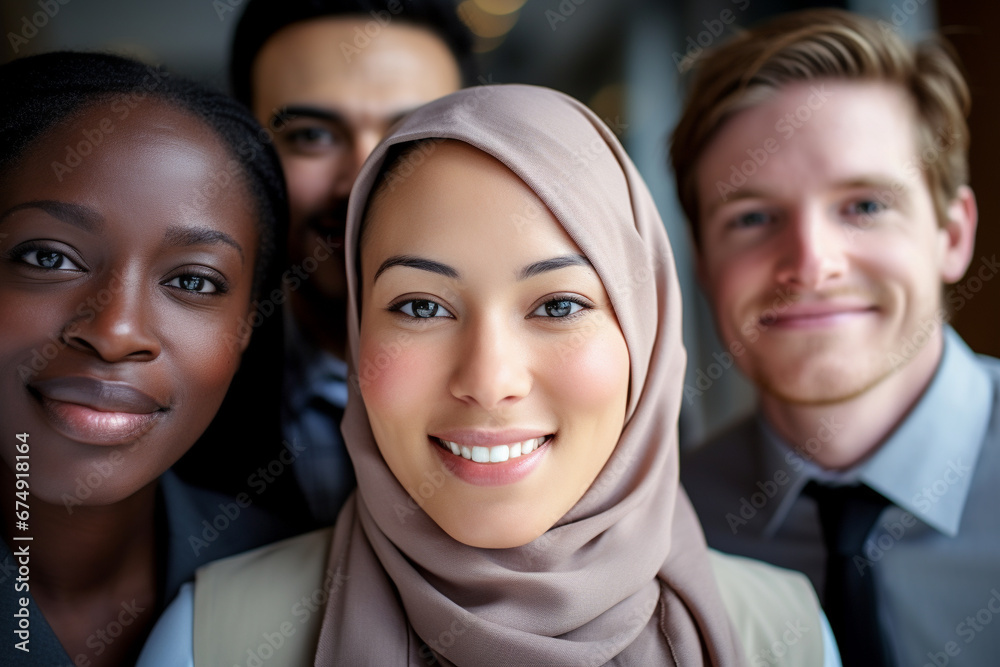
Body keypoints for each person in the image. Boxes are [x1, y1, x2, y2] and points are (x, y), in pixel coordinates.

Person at [170, 84, 839, 665]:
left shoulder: (786, 634)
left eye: (558, 305)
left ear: (648, 333)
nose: (489, 380)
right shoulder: (213, 634)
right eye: (422, 306)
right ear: (357, 333)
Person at [673, 9, 998, 666]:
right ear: (703, 263)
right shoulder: (669, 529)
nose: (812, 261)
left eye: (865, 206)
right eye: (754, 216)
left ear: (953, 235)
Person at [0, 50, 297, 666]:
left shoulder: (307, 588)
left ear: (245, 328)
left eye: (193, 282)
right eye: (49, 257)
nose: (116, 332)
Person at [180, 0, 475, 525]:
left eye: (412, 134)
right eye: (312, 136)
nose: (361, 180)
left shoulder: (547, 387)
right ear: (247, 154)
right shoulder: (171, 379)